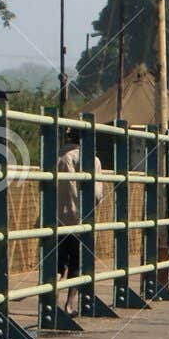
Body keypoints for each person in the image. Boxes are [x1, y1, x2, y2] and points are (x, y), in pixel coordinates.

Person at [56, 135, 105, 316]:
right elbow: (98, 194)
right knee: (76, 263)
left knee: (57, 263)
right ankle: (69, 305)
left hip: (56, 217)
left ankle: (51, 301)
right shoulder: (92, 160)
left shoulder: (56, 156)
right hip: (79, 218)